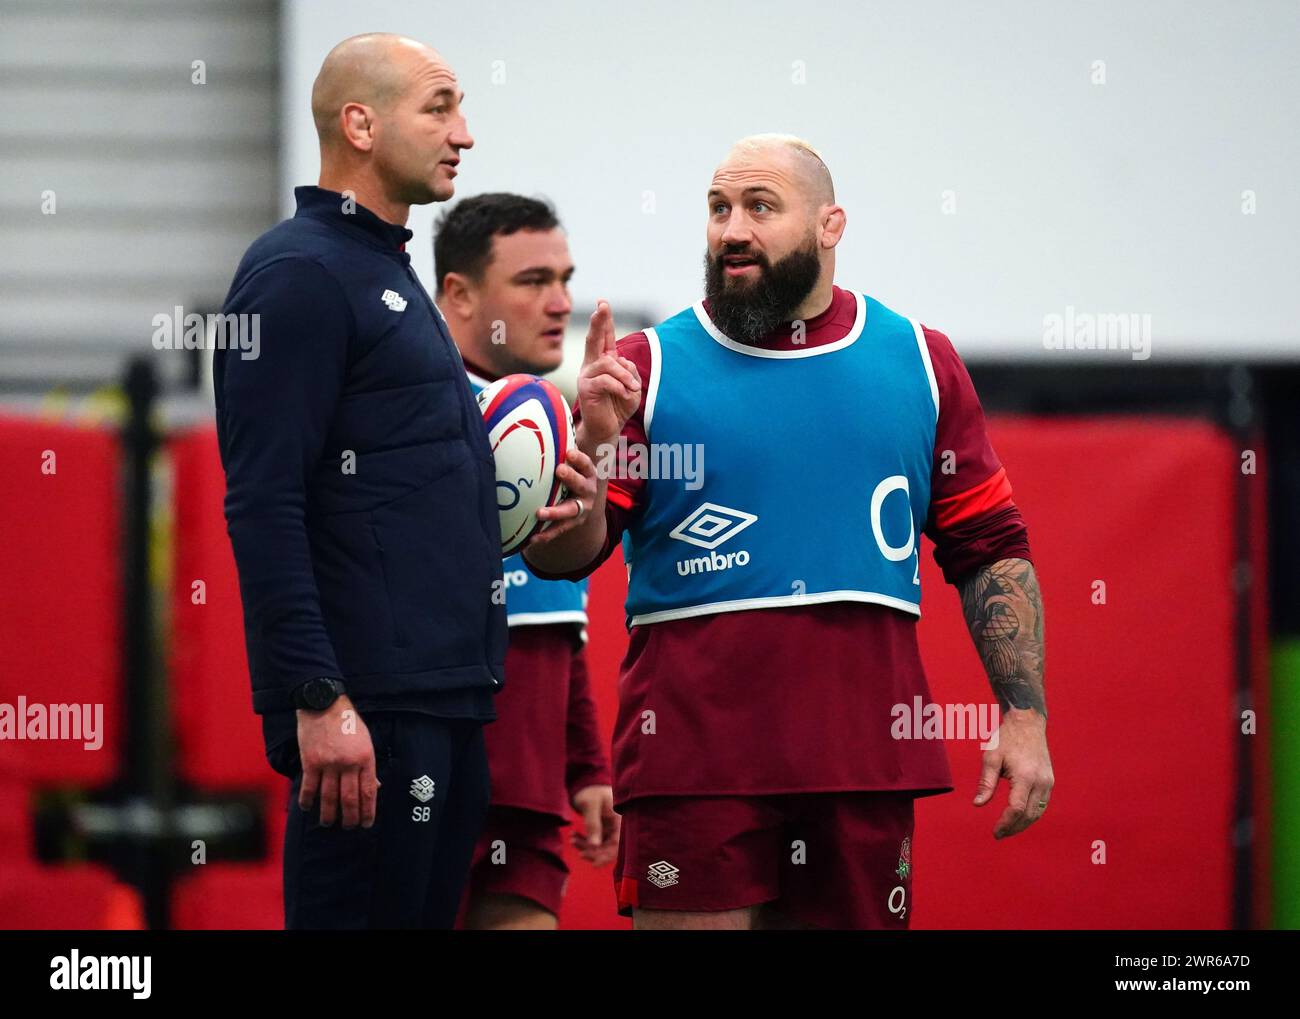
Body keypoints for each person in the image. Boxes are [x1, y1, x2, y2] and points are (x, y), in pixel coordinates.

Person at [524, 134, 1055, 930]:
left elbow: (989, 548)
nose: (732, 229)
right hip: (691, 769)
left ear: (830, 224)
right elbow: (560, 552)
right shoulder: (645, 367)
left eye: (760, 207)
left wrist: (1024, 714)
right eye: (718, 208)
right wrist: (593, 450)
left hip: (861, 766)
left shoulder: (919, 359)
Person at [215, 33, 506, 929]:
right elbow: (264, 502)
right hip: (369, 718)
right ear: (360, 124)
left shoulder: (383, 266)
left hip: (441, 702)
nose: (465, 131)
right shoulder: (300, 273)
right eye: (440, 106)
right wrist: (318, 696)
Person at [433, 193, 618, 929]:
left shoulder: (563, 426)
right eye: (533, 280)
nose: (561, 302)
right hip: (425, 788)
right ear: (460, 293)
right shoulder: (403, 415)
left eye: (565, 279)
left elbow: (556, 624)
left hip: (530, 804)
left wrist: (587, 769)